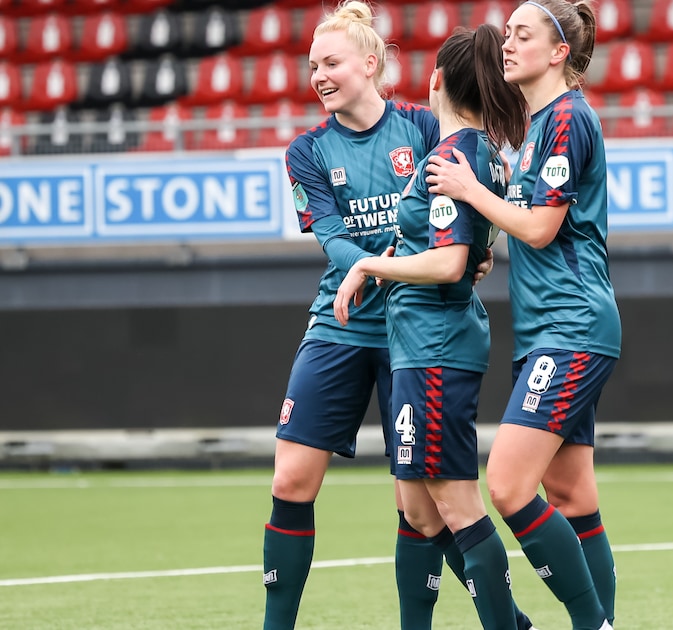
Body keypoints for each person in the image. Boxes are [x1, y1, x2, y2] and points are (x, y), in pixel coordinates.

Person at [261, 3, 530, 629]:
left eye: (330, 62)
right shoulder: (307, 151)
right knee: (291, 478)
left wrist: (474, 254)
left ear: (371, 63)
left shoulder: (421, 125)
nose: (319, 76)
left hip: (415, 326)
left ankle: (506, 620)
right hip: (344, 321)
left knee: (423, 508)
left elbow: (470, 199)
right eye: (311, 67)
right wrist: (385, 261)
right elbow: (333, 241)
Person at [425, 1, 619, 629]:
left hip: (571, 328)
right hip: (553, 329)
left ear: (560, 52)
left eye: (522, 34)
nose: (507, 43)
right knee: (571, 496)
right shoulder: (540, 125)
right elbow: (533, 229)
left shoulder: (564, 119)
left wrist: (471, 191)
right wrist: (478, 254)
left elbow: (540, 228)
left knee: (508, 487)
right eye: (506, 33)